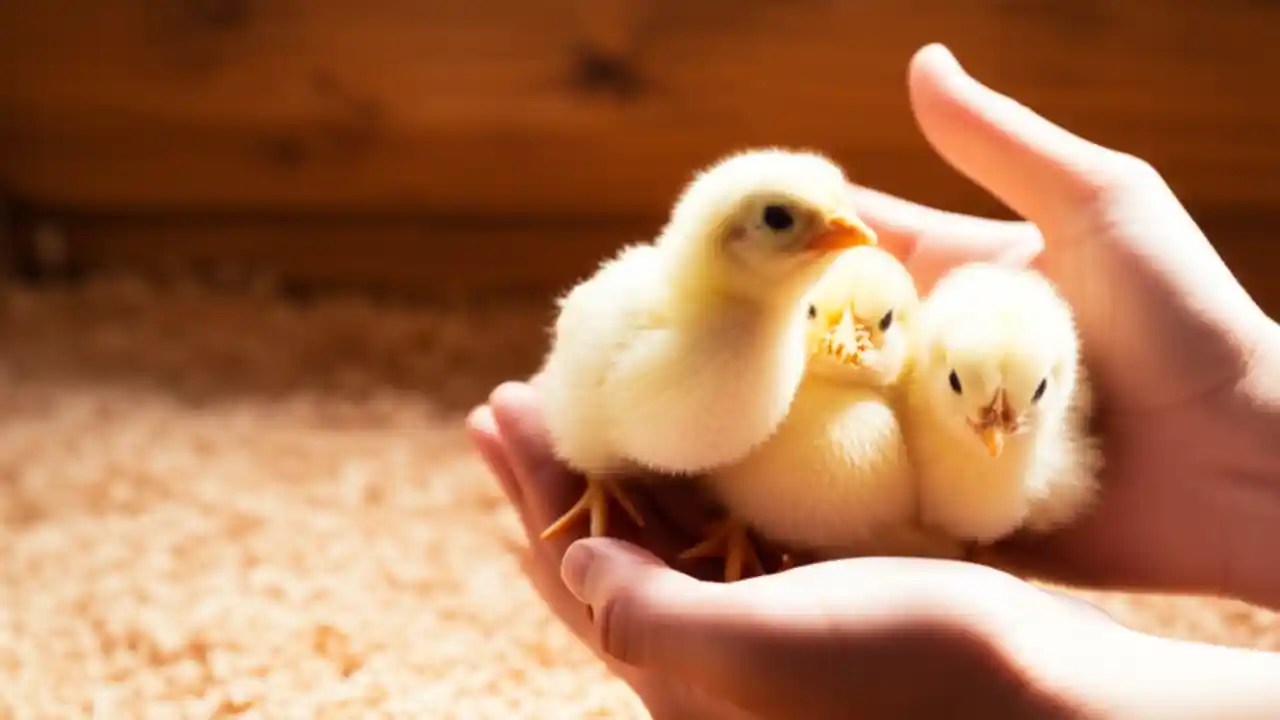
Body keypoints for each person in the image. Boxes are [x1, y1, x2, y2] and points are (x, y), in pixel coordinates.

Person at [468, 43, 1280, 719]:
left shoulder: (853, 397)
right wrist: (1247, 416)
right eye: (793, 223)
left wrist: (1059, 688)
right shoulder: (654, 323)